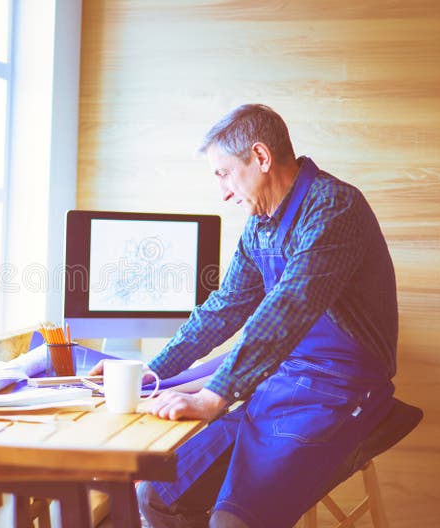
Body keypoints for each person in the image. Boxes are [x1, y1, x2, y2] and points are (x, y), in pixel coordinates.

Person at [89, 104, 398, 528]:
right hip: (280, 383)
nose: (223, 192)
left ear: (261, 157)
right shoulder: (260, 226)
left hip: (339, 392)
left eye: (224, 174)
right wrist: (151, 371)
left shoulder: (334, 207)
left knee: (232, 522)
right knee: (157, 493)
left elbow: (288, 308)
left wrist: (211, 397)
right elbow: (224, 307)